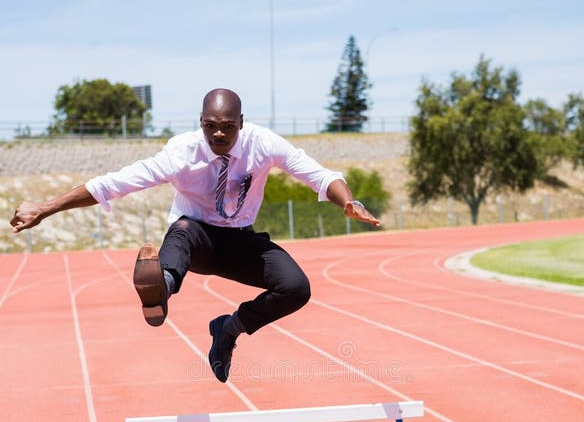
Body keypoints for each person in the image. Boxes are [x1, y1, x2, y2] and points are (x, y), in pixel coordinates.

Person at [11, 88, 381, 382]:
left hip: (240, 239)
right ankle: (162, 287)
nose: (218, 134)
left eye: (227, 126)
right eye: (210, 126)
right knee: (183, 230)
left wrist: (348, 202)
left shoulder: (264, 143)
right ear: (200, 122)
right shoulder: (181, 153)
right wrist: (45, 207)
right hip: (197, 241)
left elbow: (319, 175)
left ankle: (228, 329)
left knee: (297, 288)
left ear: (242, 123)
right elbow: (114, 183)